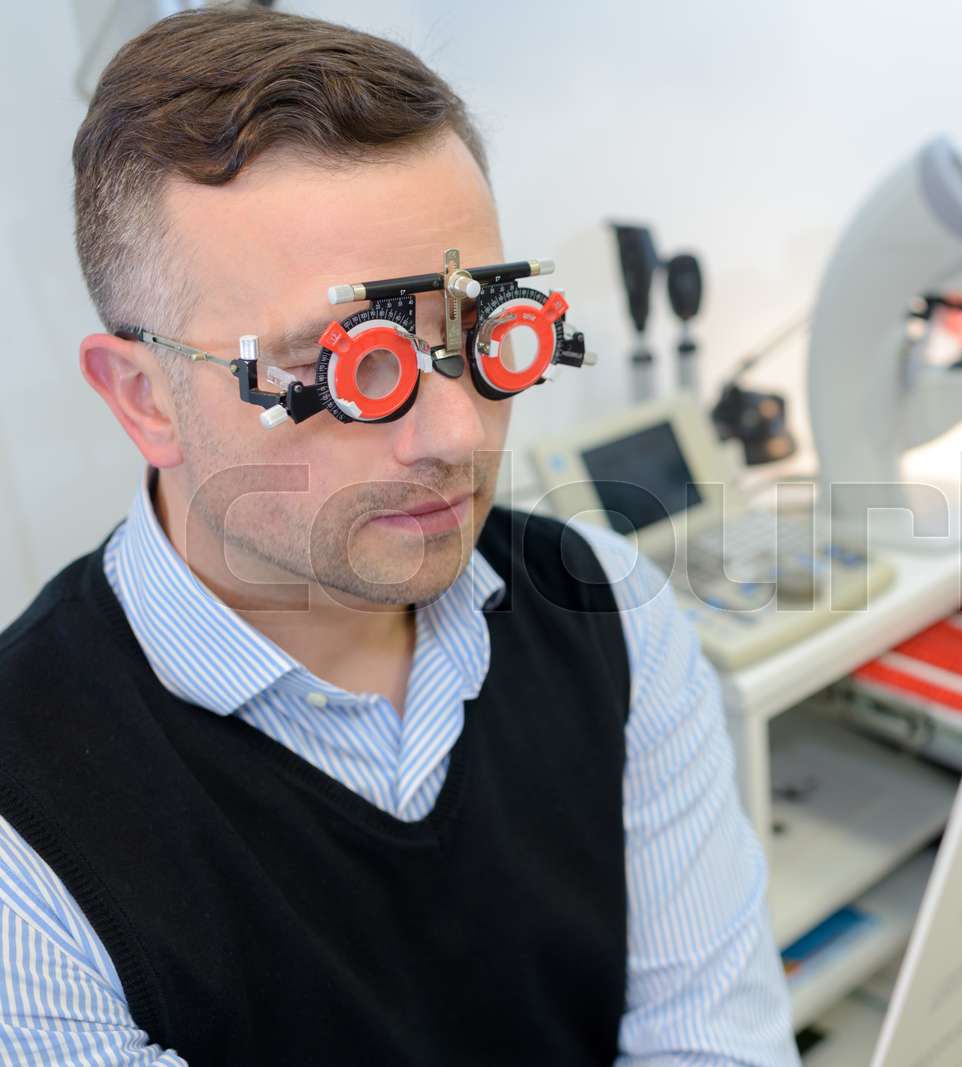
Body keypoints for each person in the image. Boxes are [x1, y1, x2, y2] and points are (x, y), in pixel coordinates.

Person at [0, 8, 798, 1065]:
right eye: (352, 367)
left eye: (481, 335)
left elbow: (714, 1041)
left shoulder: (608, 609)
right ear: (144, 398)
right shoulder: (24, 845)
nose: (457, 436)